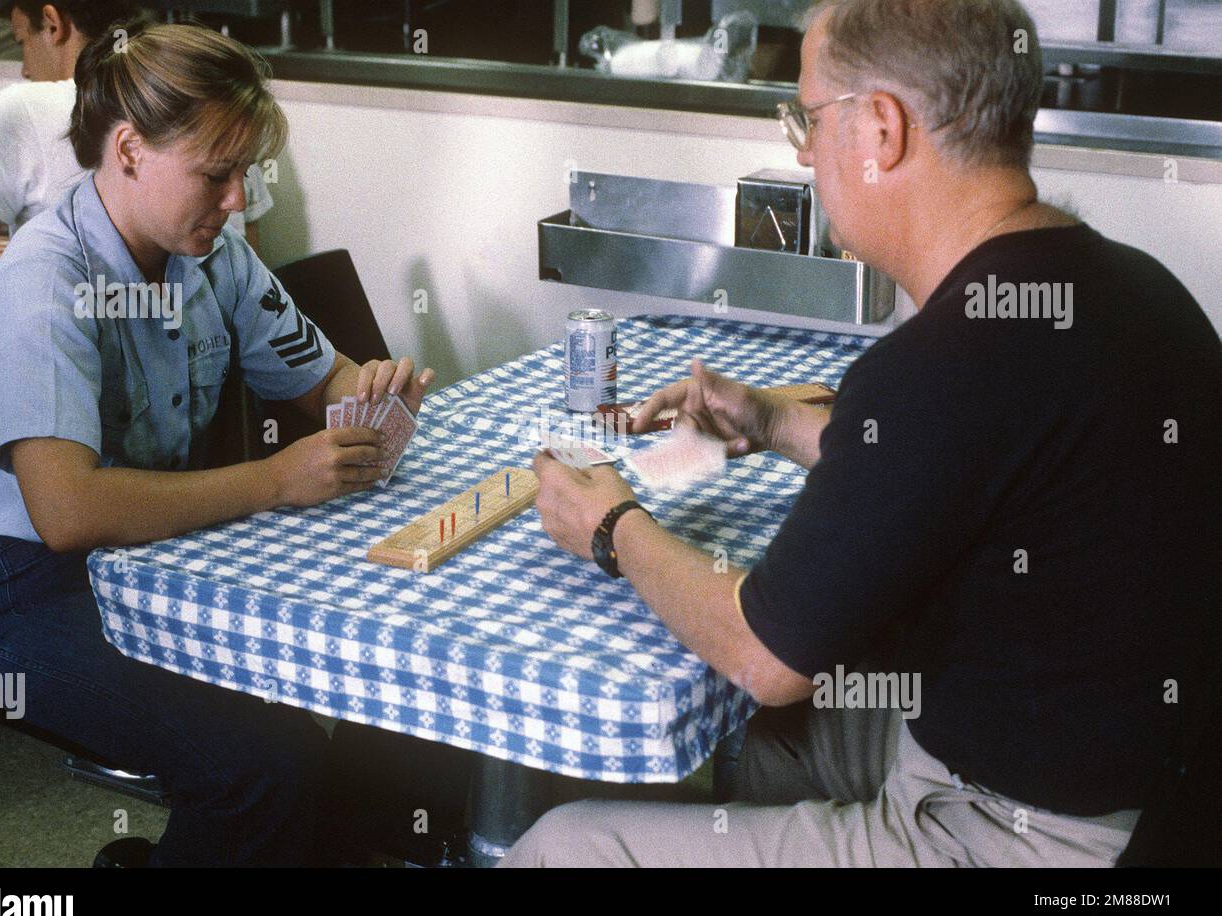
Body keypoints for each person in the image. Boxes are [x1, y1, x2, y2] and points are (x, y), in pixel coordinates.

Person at [507, 0, 1221, 867]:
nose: (804, 155)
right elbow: (967, 470)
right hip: (1146, 787)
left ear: (880, 129)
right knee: (773, 746)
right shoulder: (1133, 289)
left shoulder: (946, 362)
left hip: (1033, 843)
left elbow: (762, 651)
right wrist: (771, 421)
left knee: (564, 846)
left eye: (809, 119)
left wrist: (613, 528)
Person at [0, 18, 434, 866]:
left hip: (167, 556)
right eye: (217, 174)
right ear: (129, 150)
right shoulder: (45, 279)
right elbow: (66, 511)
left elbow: (326, 380)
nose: (239, 199)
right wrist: (279, 480)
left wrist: (377, 395)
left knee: (377, 703)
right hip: (30, 598)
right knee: (263, 766)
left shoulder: (212, 255)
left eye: (243, 172)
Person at [0, 1, 274, 253]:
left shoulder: (26, 108)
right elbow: (255, 260)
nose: (24, 69)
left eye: (22, 43)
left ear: (52, 22)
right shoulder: (217, 104)